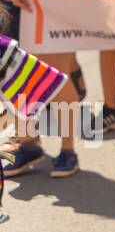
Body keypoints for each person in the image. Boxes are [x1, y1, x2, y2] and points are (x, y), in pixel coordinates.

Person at [0, 34, 81, 177]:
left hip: (55, 15)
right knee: (14, 76)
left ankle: (68, 152)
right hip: (16, 12)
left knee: (57, 70)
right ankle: (28, 147)